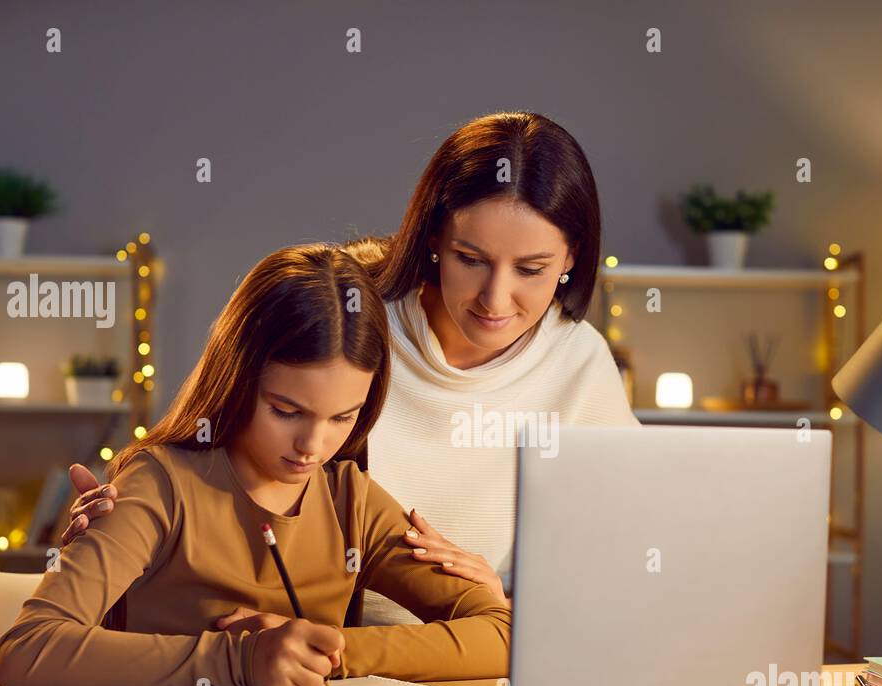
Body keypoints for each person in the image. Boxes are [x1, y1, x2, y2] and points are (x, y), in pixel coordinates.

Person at [61, 111, 638, 626]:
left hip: (479, 664)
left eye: (532, 269)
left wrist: (504, 610)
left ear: (572, 256)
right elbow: (219, 467)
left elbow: (619, 570)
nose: (495, 298)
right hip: (320, 665)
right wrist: (132, 525)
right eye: (471, 259)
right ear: (433, 234)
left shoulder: (580, 363)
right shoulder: (354, 318)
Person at [0, 244, 511, 686]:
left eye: (342, 418)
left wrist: (329, 654)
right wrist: (238, 662)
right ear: (238, 378)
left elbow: (504, 635)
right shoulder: (159, 485)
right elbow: (28, 649)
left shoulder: (348, 500)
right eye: (286, 411)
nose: (313, 446)